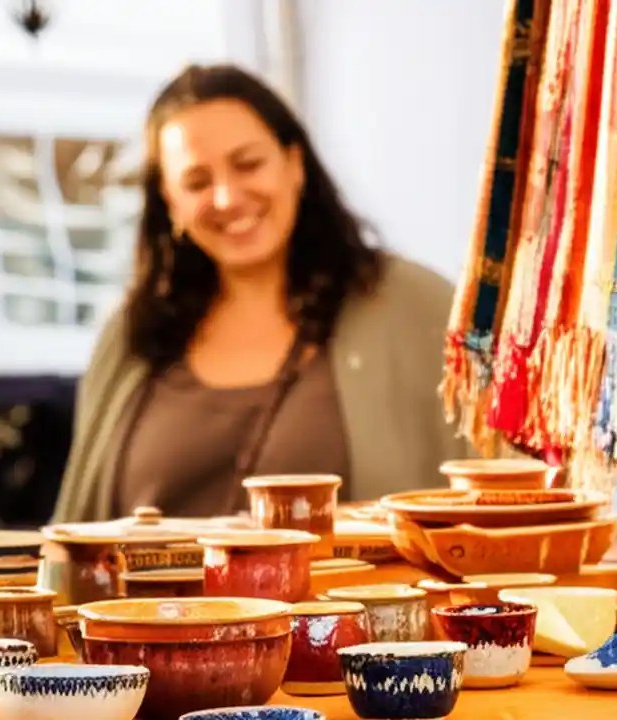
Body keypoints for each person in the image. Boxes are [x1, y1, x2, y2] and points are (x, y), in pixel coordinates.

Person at [53, 64, 472, 523]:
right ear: (169, 202)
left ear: (295, 164)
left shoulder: (413, 305)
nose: (227, 197)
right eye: (197, 182)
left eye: (248, 163)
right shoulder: (130, 336)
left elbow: (500, 497)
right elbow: (73, 540)